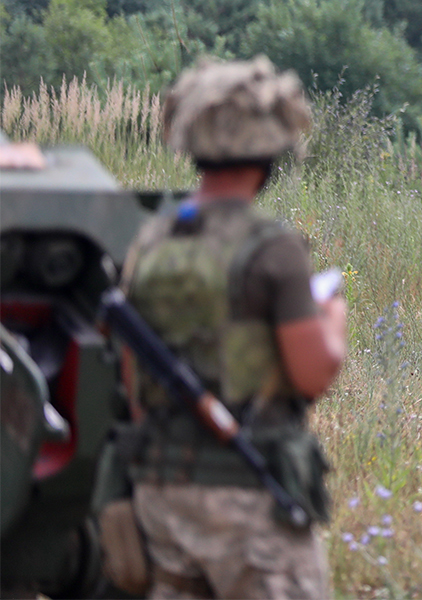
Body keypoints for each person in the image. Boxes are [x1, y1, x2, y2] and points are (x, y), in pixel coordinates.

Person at [114, 57, 345, 599]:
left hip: (163, 495)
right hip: (247, 499)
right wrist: (333, 319)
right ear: (269, 153)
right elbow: (313, 374)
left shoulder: (150, 242)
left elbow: (135, 387)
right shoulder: (273, 249)